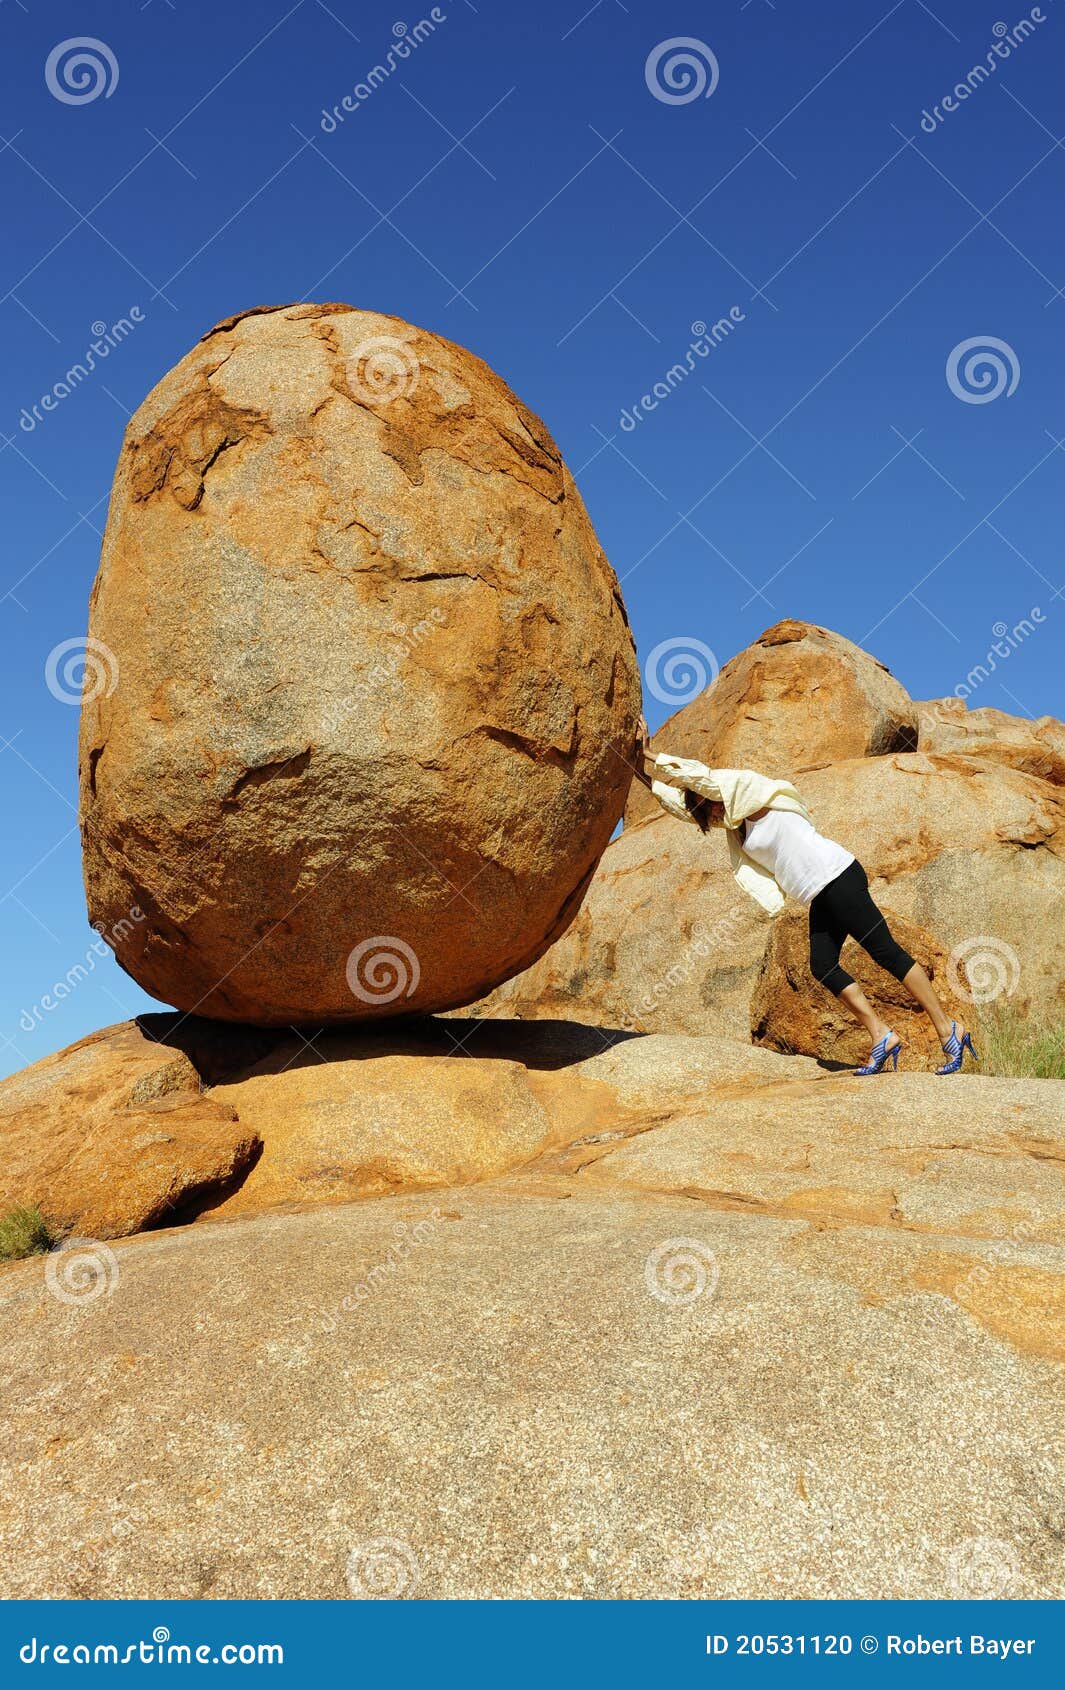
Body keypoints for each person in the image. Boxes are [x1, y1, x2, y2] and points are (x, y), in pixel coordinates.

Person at [631, 718, 977, 1076]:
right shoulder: (734, 823)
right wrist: (635, 766)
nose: (713, 810)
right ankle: (882, 1035)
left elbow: (702, 778)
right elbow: (678, 804)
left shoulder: (753, 794)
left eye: (712, 803)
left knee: (886, 952)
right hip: (819, 892)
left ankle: (947, 1029)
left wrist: (651, 753)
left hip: (837, 876)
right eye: (706, 810)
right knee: (823, 966)